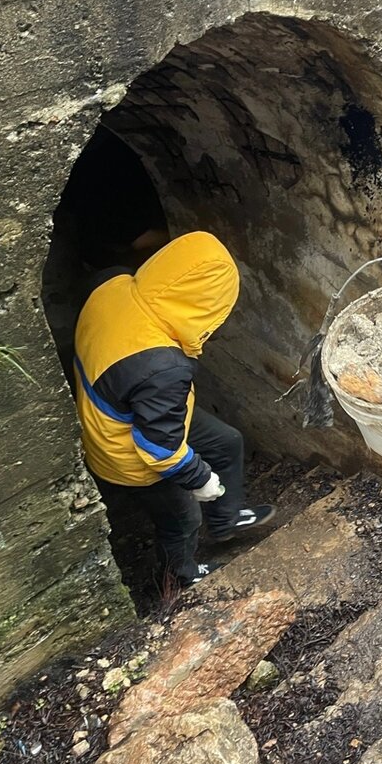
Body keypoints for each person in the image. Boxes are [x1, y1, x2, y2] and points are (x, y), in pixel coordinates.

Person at [73, 230, 275, 589]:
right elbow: (159, 450)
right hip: (125, 449)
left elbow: (154, 404)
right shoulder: (164, 367)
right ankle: (179, 576)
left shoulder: (114, 285)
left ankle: (226, 520)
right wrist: (201, 480)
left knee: (226, 442)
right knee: (182, 520)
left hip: (133, 404)